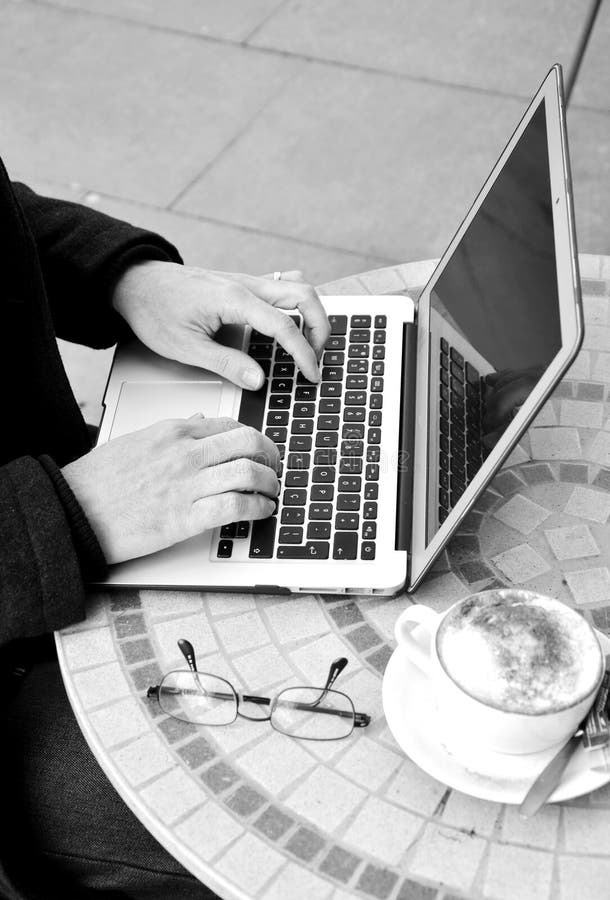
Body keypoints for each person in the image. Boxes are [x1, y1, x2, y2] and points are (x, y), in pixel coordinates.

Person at [0, 156, 330, 899]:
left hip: (64, 499)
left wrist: (124, 277)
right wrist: (69, 512)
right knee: (323, 805)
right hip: (15, 698)